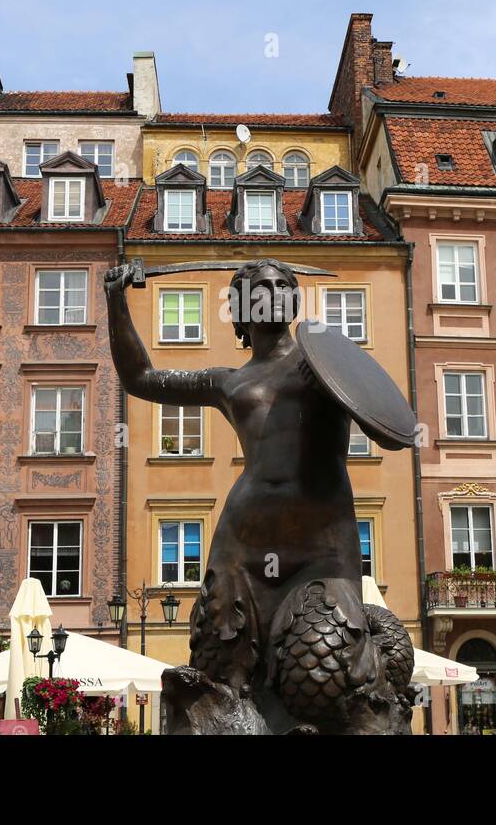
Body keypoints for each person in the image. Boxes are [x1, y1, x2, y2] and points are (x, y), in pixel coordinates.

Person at [104, 259, 416, 734]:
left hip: (321, 545)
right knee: (218, 677)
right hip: (242, 544)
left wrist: (334, 387)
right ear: (240, 312)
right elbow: (141, 378)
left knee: (322, 676)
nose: (271, 294)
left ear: (293, 301)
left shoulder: (327, 364)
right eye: (257, 290)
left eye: (281, 287)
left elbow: (393, 429)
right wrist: (116, 301)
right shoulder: (230, 381)